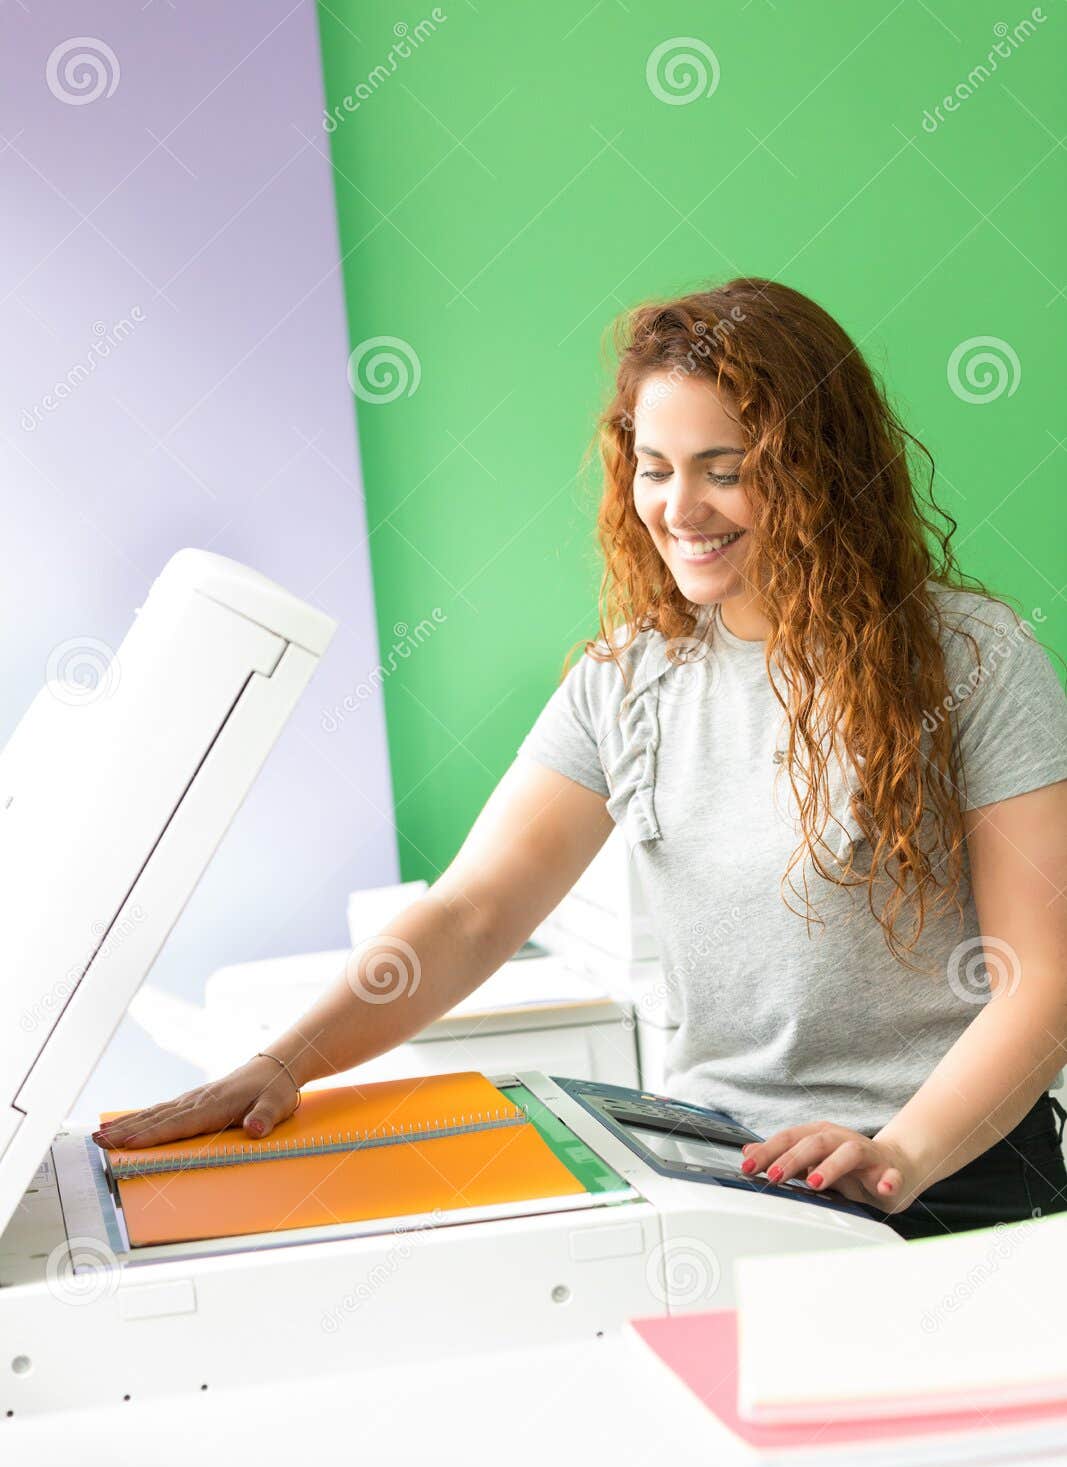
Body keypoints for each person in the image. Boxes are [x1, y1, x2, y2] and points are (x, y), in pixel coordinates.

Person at [94, 278, 1067, 1240]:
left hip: (948, 1181)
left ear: (817, 466)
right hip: (728, 1180)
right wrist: (286, 1061)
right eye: (653, 466)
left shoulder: (973, 663)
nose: (678, 506)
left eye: (722, 467)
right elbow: (472, 914)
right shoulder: (624, 681)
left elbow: (1042, 981)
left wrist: (896, 1156)